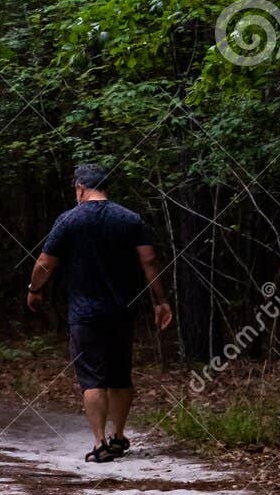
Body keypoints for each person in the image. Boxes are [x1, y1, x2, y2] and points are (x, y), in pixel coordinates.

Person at [26, 164, 173, 462]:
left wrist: (35, 289)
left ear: (80, 188)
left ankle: (99, 443)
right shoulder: (130, 219)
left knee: (92, 379)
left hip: (85, 314)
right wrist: (161, 300)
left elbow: (45, 262)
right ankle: (119, 436)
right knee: (120, 376)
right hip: (122, 310)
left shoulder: (68, 220)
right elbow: (149, 260)